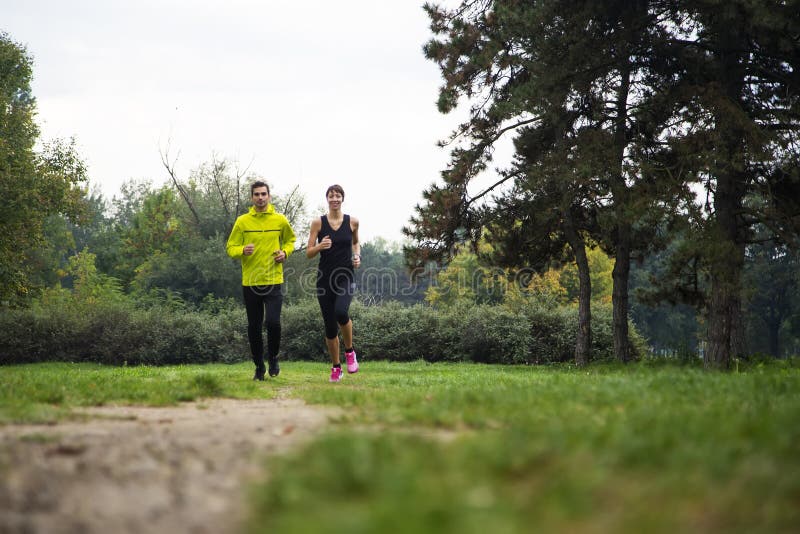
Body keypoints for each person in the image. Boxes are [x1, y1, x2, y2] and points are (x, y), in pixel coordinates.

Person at [226, 181, 296, 380]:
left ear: (269, 196)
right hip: (250, 281)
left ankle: (273, 358)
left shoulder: (280, 220)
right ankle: (259, 366)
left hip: (274, 279)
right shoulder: (242, 222)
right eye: (256, 194)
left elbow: (291, 240)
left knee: (273, 323)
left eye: (263, 194)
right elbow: (230, 247)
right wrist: (242, 250)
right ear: (252, 197)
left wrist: (285, 252)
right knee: (254, 327)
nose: (260, 197)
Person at [306, 184, 361, 382]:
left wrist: (357, 256)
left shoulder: (352, 222)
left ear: (342, 199)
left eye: (338, 196)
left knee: (341, 312)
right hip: (324, 279)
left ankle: (350, 352)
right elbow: (309, 252)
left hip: (345, 276)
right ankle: (336, 367)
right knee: (330, 327)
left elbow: (355, 242)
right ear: (327, 199)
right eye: (331, 196)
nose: (335, 199)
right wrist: (320, 246)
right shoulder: (318, 223)